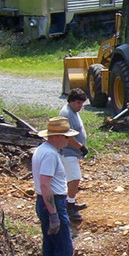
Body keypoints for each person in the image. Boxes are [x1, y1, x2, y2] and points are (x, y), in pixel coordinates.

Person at [32, 117, 77, 256]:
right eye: (66, 137)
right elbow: (45, 184)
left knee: (51, 246)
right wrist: (53, 214)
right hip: (53, 203)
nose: (67, 141)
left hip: (46, 203)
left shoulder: (43, 151)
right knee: (64, 248)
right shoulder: (50, 154)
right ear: (57, 136)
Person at [59, 88, 90, 223]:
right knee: (75, 178)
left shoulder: (72, 111)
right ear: (71, 101)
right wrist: (80, 147)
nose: (80, 106)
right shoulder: (66, 114)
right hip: (67, 152)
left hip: (72, 152)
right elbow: (66, 136)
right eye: (78, 103)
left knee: (72, 178)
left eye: (82, 103)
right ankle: (69, 206)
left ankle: (70, 202)